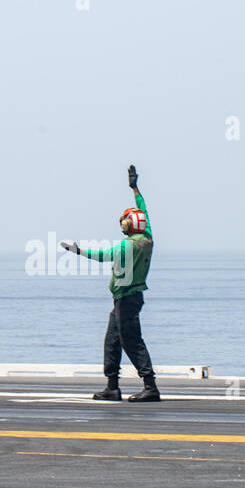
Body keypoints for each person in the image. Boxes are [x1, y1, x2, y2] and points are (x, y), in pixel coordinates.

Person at [60, 165, 160, 403]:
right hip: (127, 300)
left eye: (125, 222)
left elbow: (101, 254)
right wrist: (135, 188)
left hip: (126, 298)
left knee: (132, 342)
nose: (122, 224)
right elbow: (144, 211)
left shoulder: (126, 246)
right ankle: (112, 387)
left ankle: (150, 386)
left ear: (129, 226)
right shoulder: (147, 238)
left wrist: (76, 250)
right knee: (112, 341)